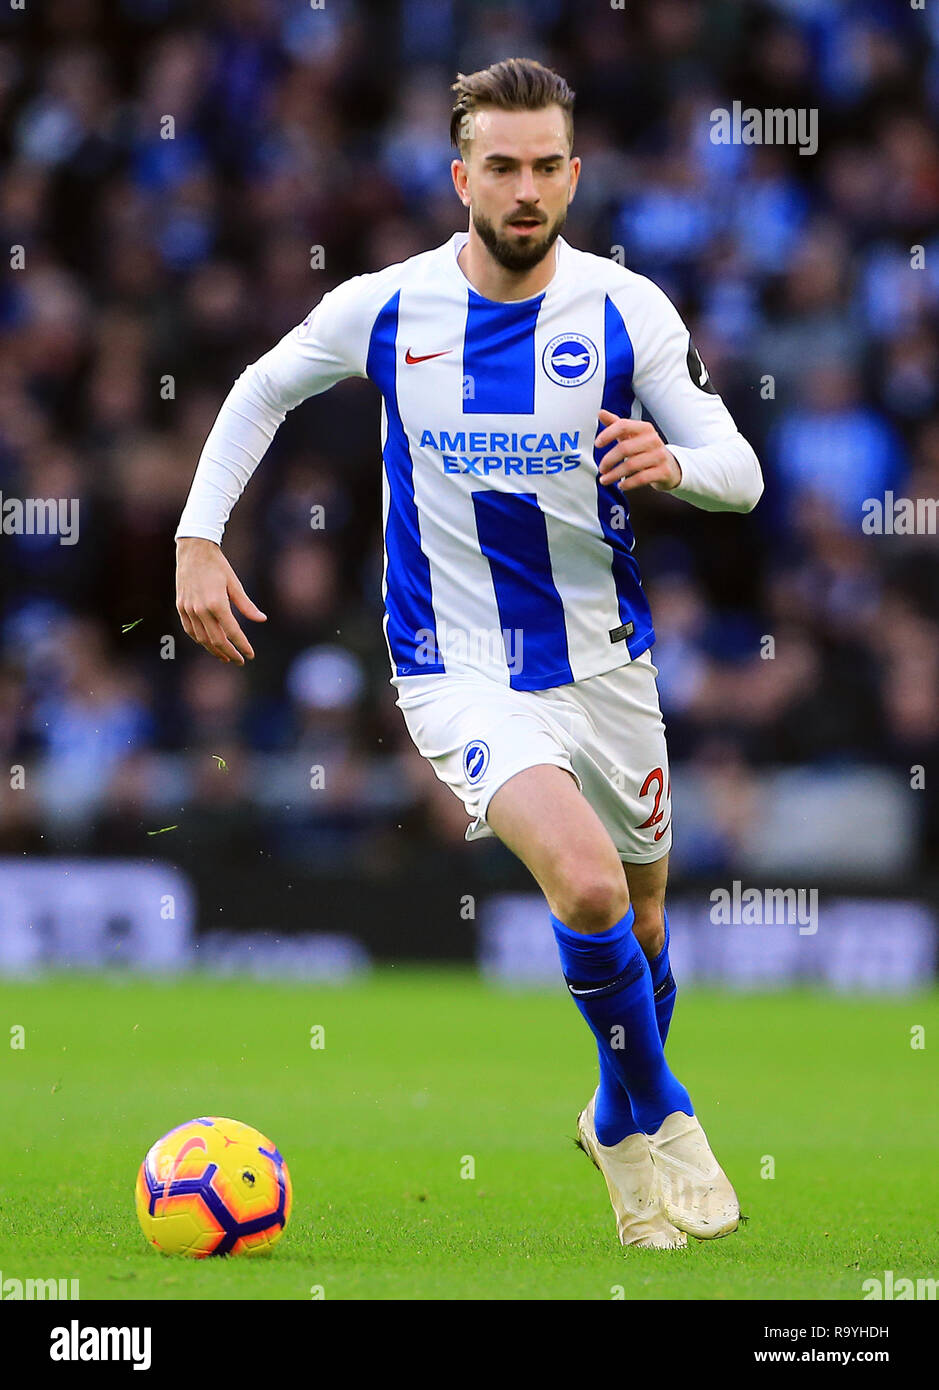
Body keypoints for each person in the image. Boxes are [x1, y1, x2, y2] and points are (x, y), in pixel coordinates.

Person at [175, 57, 763, 1249]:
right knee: (589, 887)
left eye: (548, 164)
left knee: (643, 932)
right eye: (502, 165)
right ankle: (665, 1107)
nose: (527, 186)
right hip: (458, 668)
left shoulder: (623, 308)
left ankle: (612, 1108)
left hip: (607, 663)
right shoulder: (389, 306)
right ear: (461, 177)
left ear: (576, 173)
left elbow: (740, 471)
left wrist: (677, 466)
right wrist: (197, 535)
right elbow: (259, 388)